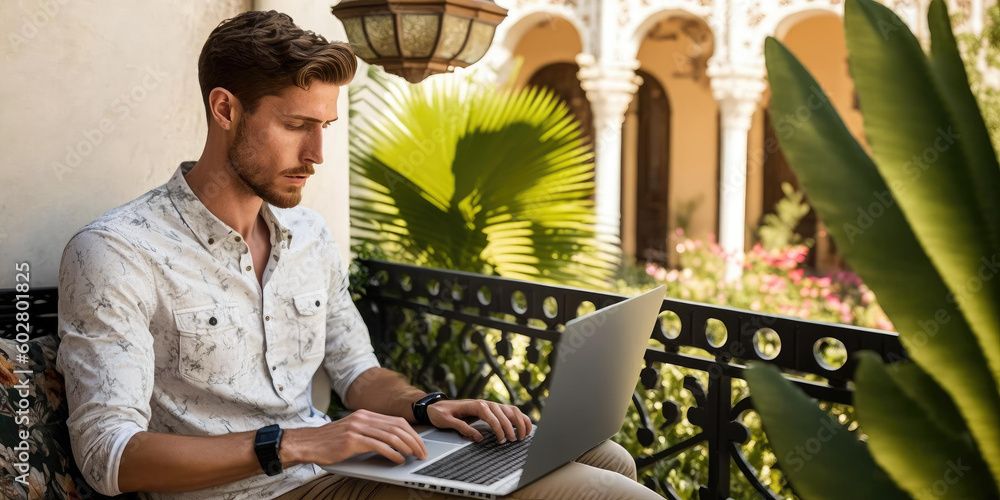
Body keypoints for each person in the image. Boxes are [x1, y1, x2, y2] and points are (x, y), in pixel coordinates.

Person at [55, 10, 663, 500]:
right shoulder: (115, 252)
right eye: (297, 125)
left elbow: (360, 374)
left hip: (339, 472)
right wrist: (294, 444)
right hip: (254, 493)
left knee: (606, 455)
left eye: (327, 125)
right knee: (606, 492)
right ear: (224, 109)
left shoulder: (309, 237)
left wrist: (428, 407)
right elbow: (111, 457)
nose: (317, 153)